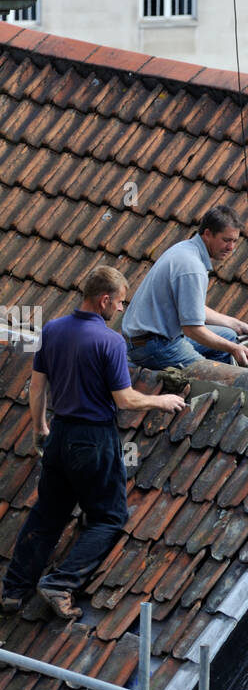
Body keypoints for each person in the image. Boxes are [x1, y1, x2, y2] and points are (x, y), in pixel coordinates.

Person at [1, 267, 187, 622]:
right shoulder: (110, 342)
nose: (119, 309)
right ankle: (60, 582)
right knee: (109, 516)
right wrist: (161, 401)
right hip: (94, 438)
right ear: (104, 299)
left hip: (59, 433)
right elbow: (124, 400)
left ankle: (14, 590)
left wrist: (40, 427)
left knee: (48, 513)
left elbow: (37, 387)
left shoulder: (52, 329)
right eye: (118, 303)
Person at [122, 205, 248, 370]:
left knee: (229, 335)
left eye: (235, 241)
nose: (231, 248)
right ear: (207, 234)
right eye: (226, 240)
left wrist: (234, 324)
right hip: (154, 346)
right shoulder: (192, 267)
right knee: (215, 374)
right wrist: (233, 348)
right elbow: (192, 329)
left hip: (146, 339)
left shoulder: (185, 248)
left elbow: (191, 307)